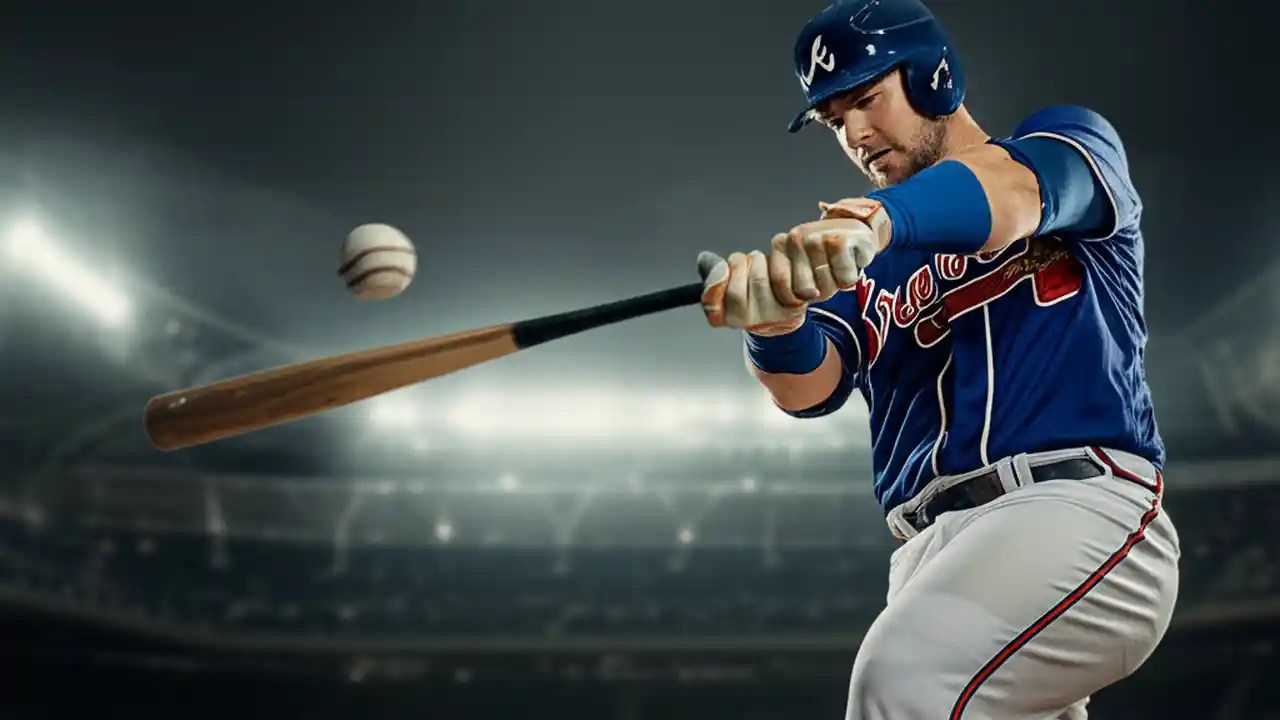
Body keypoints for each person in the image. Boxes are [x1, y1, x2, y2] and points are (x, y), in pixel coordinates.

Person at [696, 1, 1181, 717]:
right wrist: (774, 322)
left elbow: (1017, 195)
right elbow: (808, 389)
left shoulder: (1065, 143)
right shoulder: (866, 264)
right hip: (929, 553)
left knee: (903, 683)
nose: (856, 134)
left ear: (934, 78)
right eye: (835, 120)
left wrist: (882, 219)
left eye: (867, 98)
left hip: (1074, 508)